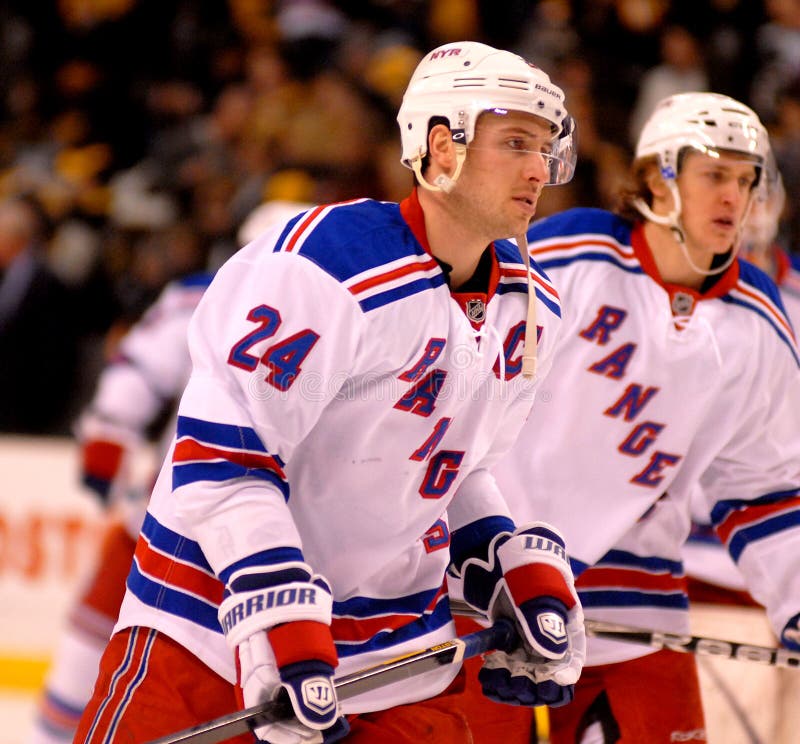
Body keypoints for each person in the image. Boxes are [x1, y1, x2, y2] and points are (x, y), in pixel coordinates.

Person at [75, 41, 586, 744]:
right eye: (516, 143)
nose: (538, 169)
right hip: (209, 631)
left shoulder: (533, 309)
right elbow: (220, 462)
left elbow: (457, 470)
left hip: (399, 661)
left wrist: (501, 563)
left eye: (546, 147)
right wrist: (275, 613)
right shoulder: (328, 266)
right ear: (441, 148)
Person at [452, 91, 800, 743]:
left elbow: (765, 491)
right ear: (657, 177)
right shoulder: (567, 257)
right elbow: (453, 384)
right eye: (714, 175)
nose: (734, 196)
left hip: (640, 604)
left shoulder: (759, 323)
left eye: (745, 179)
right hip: (497, 594)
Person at [29, 269, 212, 744]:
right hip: (171, 520)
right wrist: (111, 429)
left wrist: (112, 428)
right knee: (85, 653)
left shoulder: (361, 308)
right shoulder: (216, 291)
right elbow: (143, 365)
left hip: (198, 523)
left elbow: (139, 366)